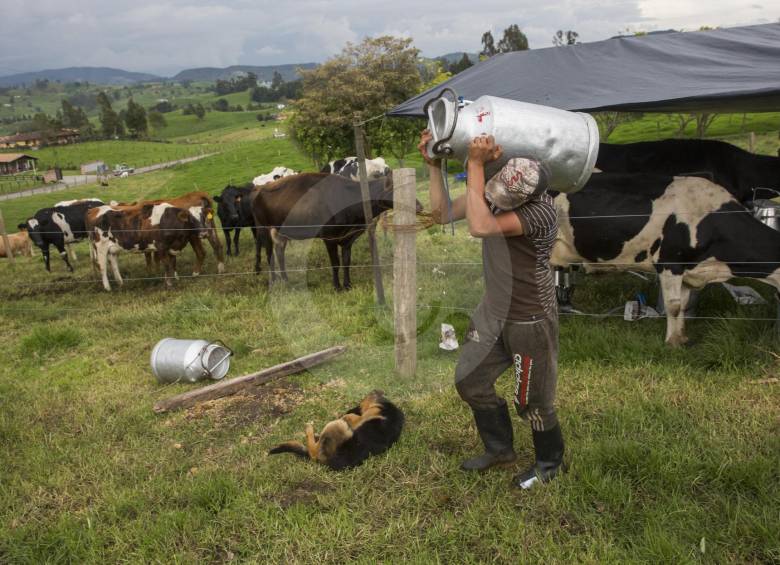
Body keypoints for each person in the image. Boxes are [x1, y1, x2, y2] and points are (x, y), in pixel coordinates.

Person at [419, 130, 565, 489]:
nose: (494, 197)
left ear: (529, 196)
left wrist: (473, 163)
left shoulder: (543, 212)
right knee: (471, 382)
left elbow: (480, 227)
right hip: (493, 311)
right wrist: (434, 166)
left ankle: (550, 464)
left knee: (533, 401)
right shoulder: (500, 192)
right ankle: (500, 450)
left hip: (529, 317)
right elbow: (440, 214)